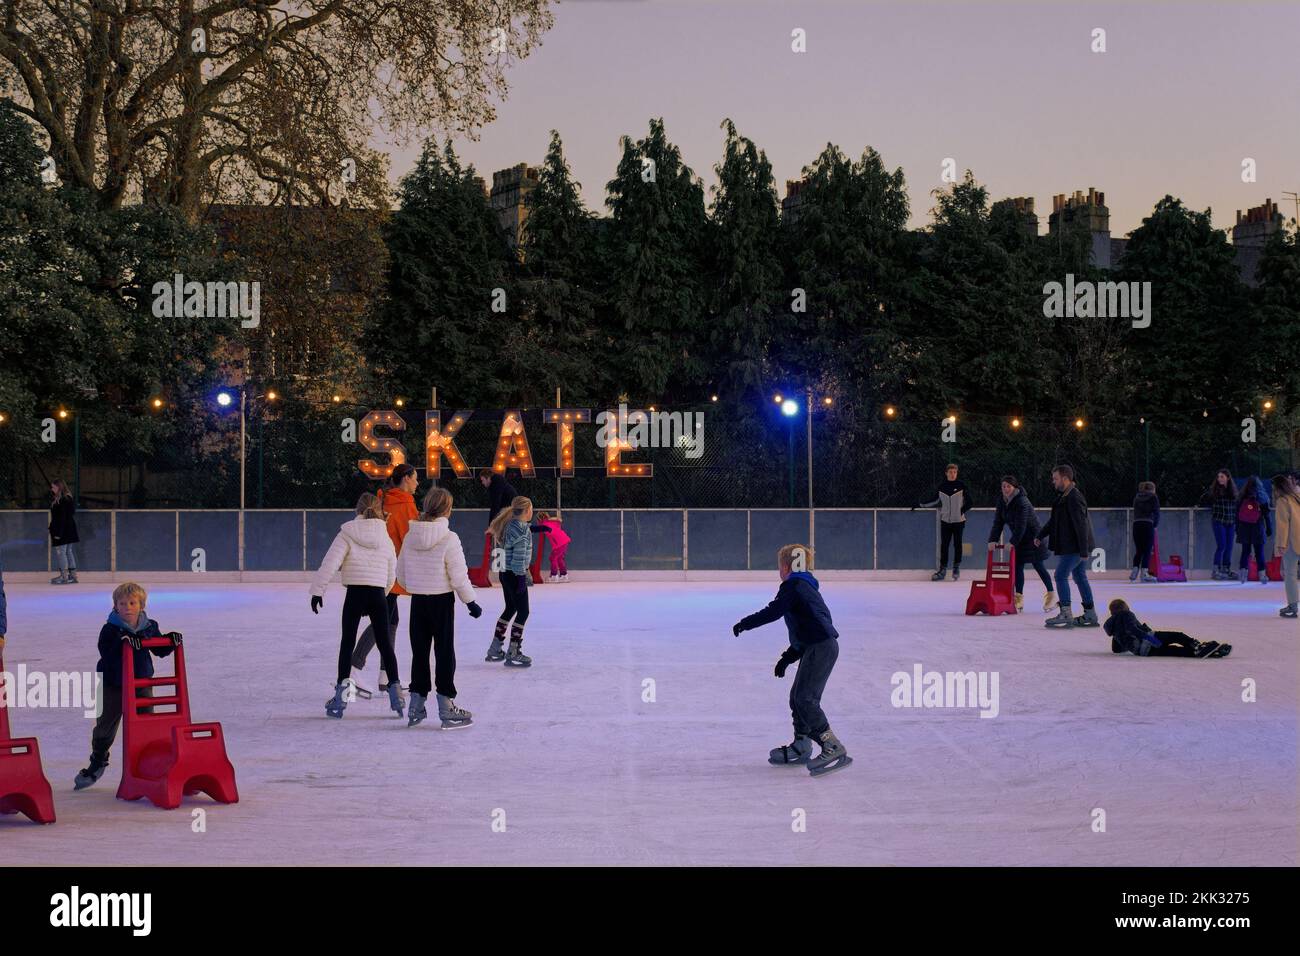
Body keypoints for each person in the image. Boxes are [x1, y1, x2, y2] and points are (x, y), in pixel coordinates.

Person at [732, 544, 850, 777]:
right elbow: (806, 629)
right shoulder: (805, 587)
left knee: (805, 699)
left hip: (820, 647)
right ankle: (802, 744)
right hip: (817, 646)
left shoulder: (793, 586)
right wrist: (787, 658)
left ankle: (831, 744)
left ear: (785, 567)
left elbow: (773, 611)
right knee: (797, 698)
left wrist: (745, 623)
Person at [73, 583, 181, 789]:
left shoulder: (149, 626)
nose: (127, 607)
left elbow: (160, 650)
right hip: (112, 684)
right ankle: (98, 761)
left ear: (141, 606)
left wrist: (170, 640)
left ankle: (150, 763)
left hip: (141, 683)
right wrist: (122, 643)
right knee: (105, 726)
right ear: (115, 606)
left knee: (146, 722)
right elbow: (106, 653)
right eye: (122, 603)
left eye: (132, 603)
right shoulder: (110, 629)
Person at [395, 487, 482, 729]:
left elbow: (400, 573)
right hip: (442, 602)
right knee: (444, 653)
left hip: (419, 602)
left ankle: (416, 703)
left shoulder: (411, 536)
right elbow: (458, 576)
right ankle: (446, 706)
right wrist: (470, 601)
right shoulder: (449, 537)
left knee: (419, 653)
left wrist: (415, 584)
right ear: (446, 509)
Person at [311, 493, 401, 719]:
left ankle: (341, 696)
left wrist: (317, 591)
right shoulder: (385, 536)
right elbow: (393, 572)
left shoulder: (347, 533)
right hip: (378, 594)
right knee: (385, 644)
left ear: (357, 510)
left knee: (347, 643)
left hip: (355, 594)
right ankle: (396, 694)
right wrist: (383, 592)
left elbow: (330, 563)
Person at [350, 463, 419, 697]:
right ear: (406, 478)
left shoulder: (384, 498)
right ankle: (353, 668)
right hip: (392, 569)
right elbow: (411, 539)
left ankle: (385, 675)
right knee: (384, 621)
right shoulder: (405, 504)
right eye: (415, 478)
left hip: (380, 567)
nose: (417, 483)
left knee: (391, 620)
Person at [1036, 464, 1100, 628]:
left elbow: (1081, 524)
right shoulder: (1063, 497)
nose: (1053, 482)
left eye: (1055, 478)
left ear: (1065, 479)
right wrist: (1041, 535)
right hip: (1073, 546)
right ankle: (1090, 614)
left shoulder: (1074, 497)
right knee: (1079, 577)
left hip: (1075, 547)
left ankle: (1066, 612)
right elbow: (1054, 521)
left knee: (1060, 575)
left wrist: (1084, 550)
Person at [485, 496, 545, 667]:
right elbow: (519, 557)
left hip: (505, 573)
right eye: (531, 509)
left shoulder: (511, 524)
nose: (532, 512)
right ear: (527, 511)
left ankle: (495, 648)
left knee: (510, 608)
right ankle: (513, 651)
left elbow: (522, 531)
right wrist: (521, 578)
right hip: (515, 574)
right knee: (523, 612)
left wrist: (537, 529)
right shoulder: (521, 532)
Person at [987, 475, 1055, 613]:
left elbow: (1022, 525)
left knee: (1039, 565)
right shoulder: (1002, 501)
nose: (1006, 489)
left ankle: (1051, 594)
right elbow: (998, 523)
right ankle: (1019, 597)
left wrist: (1012, 542)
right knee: (1017, 567)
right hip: (1020, 539)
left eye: (1009, 486)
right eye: (1003, 486)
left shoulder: (1022, 501)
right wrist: (992, 539)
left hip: (1034, 538)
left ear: (1015, 487)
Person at [1103, 599, 1231, 658]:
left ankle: (1199, 653)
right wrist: (1151, 639)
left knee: (1174, 651)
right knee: (1177, 636)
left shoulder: (1113, 628)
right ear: (1124, 608)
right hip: (1149, 640)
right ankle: (1197, 646)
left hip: (1143, 652)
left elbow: (1116, 650)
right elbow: (1133, 630)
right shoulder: (1126, 614)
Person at [915, 464, 971, 580]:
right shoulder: (942, 487)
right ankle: (942, 570)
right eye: (950, 472)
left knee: (957, 544)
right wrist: (920, 505)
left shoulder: (961, 486)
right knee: (944, 545)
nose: (952, 474)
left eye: (954, 472)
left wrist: (961, 511)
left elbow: (970, 502)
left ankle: (956, 568)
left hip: (959, 521)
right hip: (945, 521)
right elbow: (935, 500)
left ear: (957, 473)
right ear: (946, 473)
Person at [1199, 470, 1238, 580]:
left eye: (1222, 476)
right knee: (1222, 545)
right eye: (1218, 477)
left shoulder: (1233, 491)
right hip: (1218, 521)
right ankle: (1216, 569)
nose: (1219, 479)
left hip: (1230, 522)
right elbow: (1204, 499)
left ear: (1228, 478)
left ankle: (1226, 568)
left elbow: (1235, 505)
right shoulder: (1214, 491)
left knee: (1229, 547)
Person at [1271, 473, 1300, 618]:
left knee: (1290, 574)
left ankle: (1293, 605)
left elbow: (1283, 524)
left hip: (1291, 542)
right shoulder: (1296, 498)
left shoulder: (1283, 501)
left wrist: (1281, 544)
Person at [1234, 476, 1272, 584]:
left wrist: (1237, 528)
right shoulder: (1262, 497)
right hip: (1257, 527)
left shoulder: (1241, 496)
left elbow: (1237, 515)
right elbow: (1267, 515)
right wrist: (1269, 528)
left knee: (1245, 551)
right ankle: (1262, 576)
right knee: (1259, 552)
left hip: (1244, 527)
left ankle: (1242, 576)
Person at [49, 478, 79, 585]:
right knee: (68, 552)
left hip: (63, 530)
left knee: (62, 552)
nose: (52, 489)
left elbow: (62, 517)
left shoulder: (63, 500)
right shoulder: (66, 498)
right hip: (68, 529)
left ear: (59, 487)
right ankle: (72, 575)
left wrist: (58, 533)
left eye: (53, 487)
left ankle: (64, 576)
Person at [1130, 481, 1160, 583]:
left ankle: (1134, 571)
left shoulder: (1136, 498)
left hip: (1136, 524)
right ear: (1152, 489)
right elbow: (1156, 512)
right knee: (1147, 550)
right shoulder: (1153, 497)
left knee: (1139, 550)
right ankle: (1144, 573)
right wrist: (1155, 525)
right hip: (1148, 524)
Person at [535, 511, 572, 582]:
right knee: (559, 558)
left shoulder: (544, 525)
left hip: (559, 543)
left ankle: (554, 575)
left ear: (539, 519)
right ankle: (564, 575)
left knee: (552, 558)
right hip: (565, 540)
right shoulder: (552, 522)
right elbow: (559, 520)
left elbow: (542, 529)